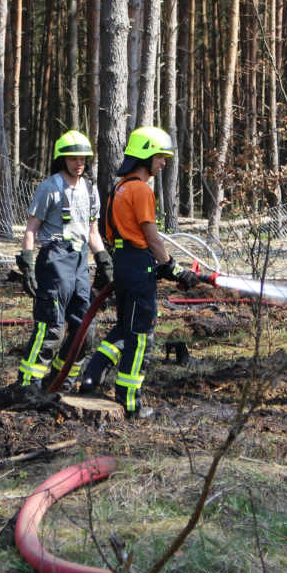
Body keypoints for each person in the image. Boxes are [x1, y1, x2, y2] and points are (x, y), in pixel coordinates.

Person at [76, 126, 200, 418]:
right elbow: (152, 236)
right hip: (139, 261)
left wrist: (147, 264)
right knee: (142, 335)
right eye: (160, 157)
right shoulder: (141, 190)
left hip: (124, 262)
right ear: (146, 156)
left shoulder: (119, 188)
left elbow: (109, 230)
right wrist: (172, 267)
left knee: (125, 328)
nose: (164, 163)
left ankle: (91, 378)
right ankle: (130, 402)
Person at [14, 131, 114, 392]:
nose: (78, 163)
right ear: (62, 159)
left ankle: (61, 380)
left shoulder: (91, 190)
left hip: (80, 262)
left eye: (82, 158)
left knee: (85, 329)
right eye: (72, 157)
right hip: (54, 260)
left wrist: (104, 261)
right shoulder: (50, 187)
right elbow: (31, 228)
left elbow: (93, 233)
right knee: (51, 327)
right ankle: (28, 385)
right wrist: (27, 263)